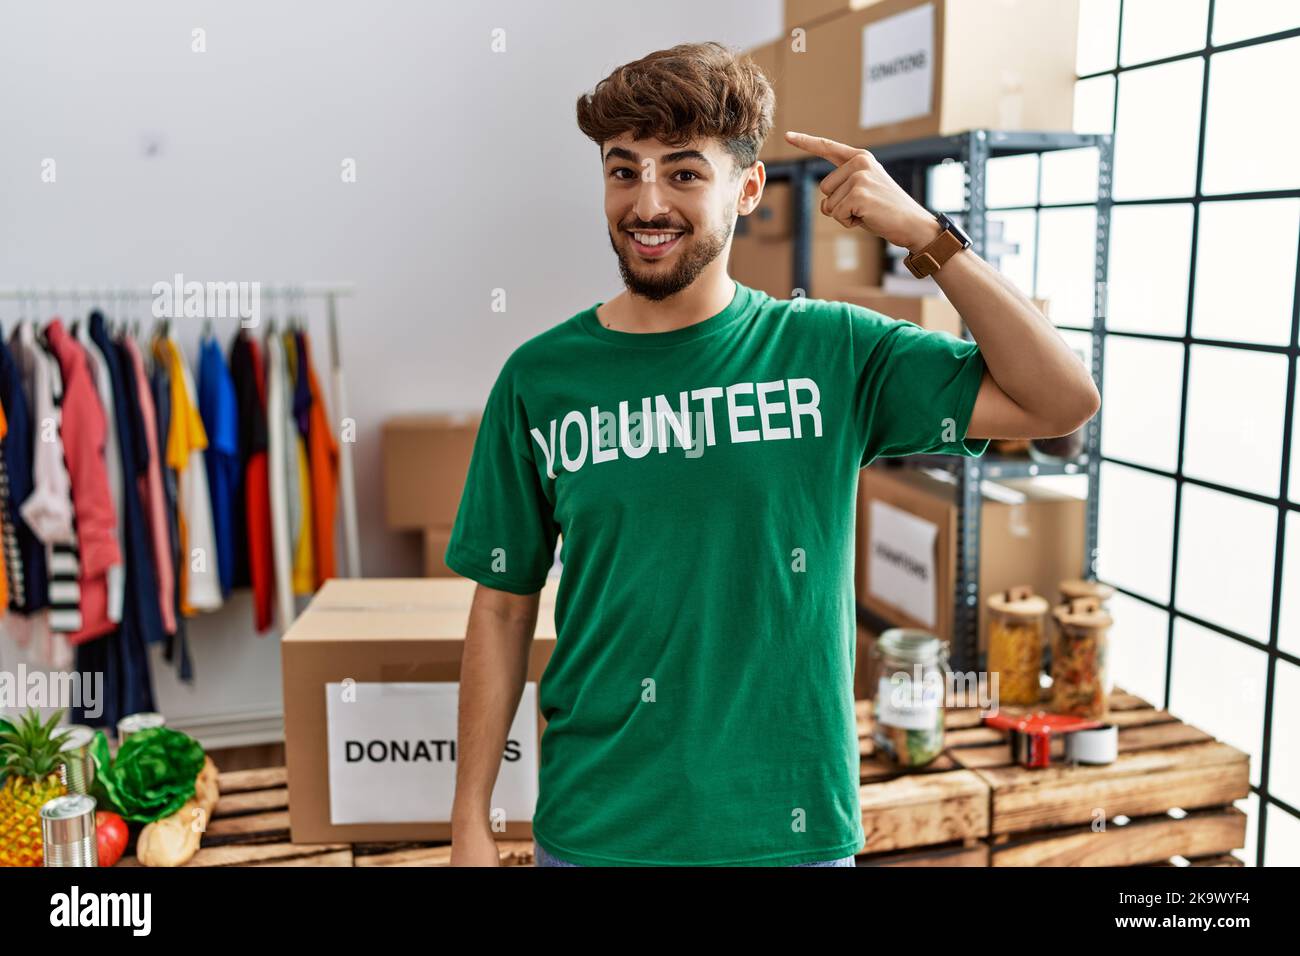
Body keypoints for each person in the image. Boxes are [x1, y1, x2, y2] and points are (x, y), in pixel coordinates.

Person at [447, 42, 1099, 867]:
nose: (647, 202)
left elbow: (1061, 400)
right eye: (624, 171)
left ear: (748, 189)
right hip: (596, 833)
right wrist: (470, 820)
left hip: (791, 836)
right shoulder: (539, 379)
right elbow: (503, 606)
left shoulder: (832, 352)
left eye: (684, 173)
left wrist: (925, 234)